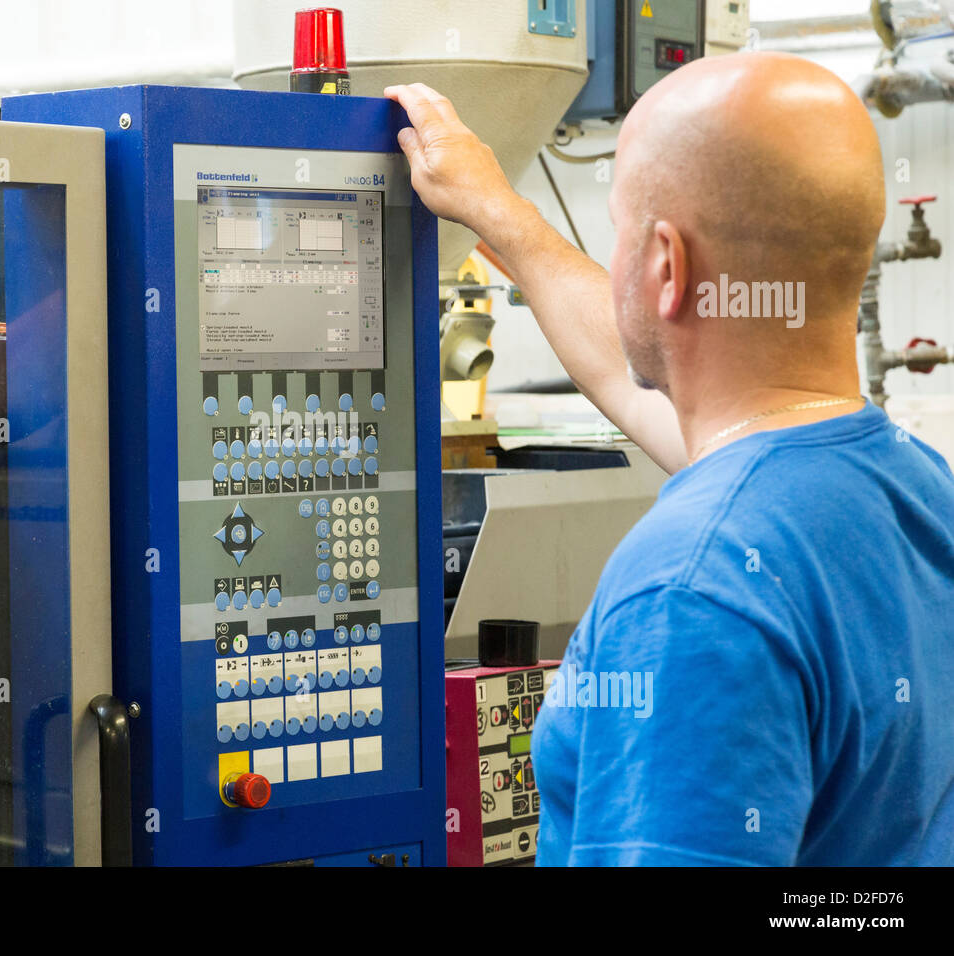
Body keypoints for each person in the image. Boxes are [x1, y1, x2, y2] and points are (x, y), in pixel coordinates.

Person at [386, 51, 954, 865]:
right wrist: (501, 214)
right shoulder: (915, 487)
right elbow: (646, 380)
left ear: (664, 263)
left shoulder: (690, 586)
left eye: (618, 229)